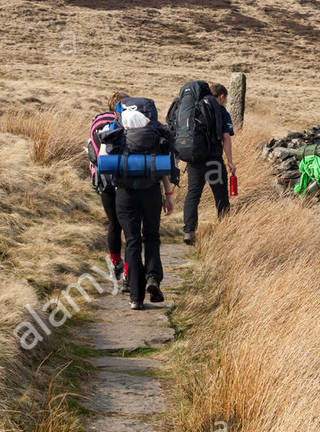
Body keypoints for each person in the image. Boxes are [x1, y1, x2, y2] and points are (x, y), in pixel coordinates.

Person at [115, 102, 177, 309]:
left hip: (124, 195)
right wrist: (168, 195)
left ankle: (135, 297)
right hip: (151, 192)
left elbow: (104, 161)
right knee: (151, 236)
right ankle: (152, 278)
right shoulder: (154, 133)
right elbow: (163, 168)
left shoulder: (117, 130)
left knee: (132, 241)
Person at [181, 82, 234, 244]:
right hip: (213, 161)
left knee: (193, 194)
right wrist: (230, 161)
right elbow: (226, 137)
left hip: (194, 159)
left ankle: (189, 232)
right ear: (222, 96)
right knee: (220, 195)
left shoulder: (192, 109)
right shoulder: (221, 111)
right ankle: (225, 229)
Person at [89, 91, 128, 287]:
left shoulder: (97, 123)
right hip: (122, 179)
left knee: (114, 223)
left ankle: (115, 264)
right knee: (129, 225)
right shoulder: (125, 122)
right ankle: (129, 271)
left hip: (102, 180)